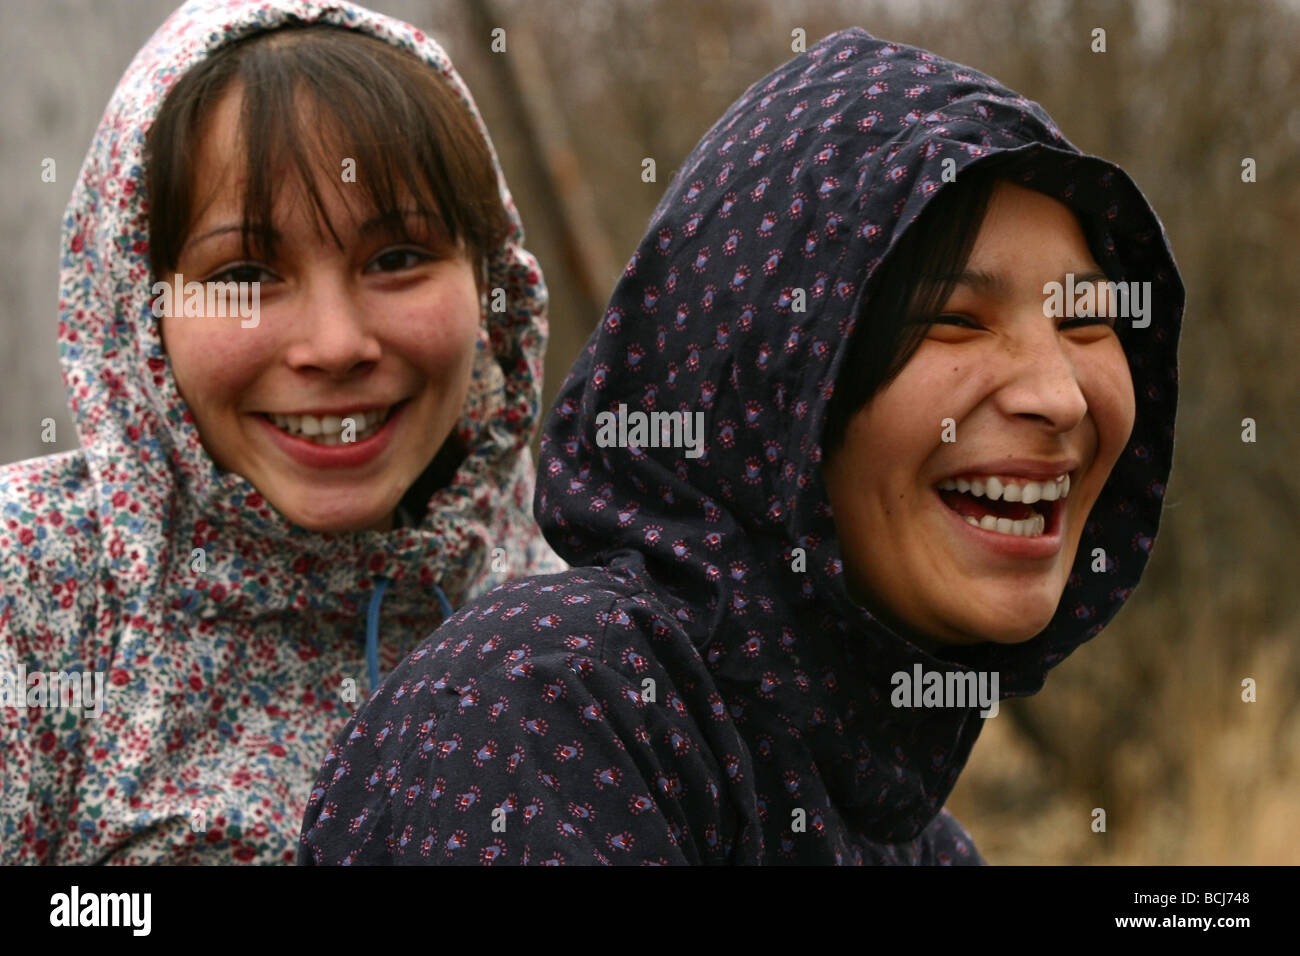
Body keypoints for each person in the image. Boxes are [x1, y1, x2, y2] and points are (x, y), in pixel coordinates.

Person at [299, 28, 1183, 865]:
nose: (1057, 395)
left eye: (1086, 319)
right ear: (772, 378)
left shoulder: (909, 830)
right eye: (953, 320)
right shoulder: (543, 714)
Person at [0, 0, 563, 864]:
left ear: (491, 281)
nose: (337, 344)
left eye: (397, 258)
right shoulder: (33, 590)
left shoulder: (566, 594)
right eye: (248, 273)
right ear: (140, 311)